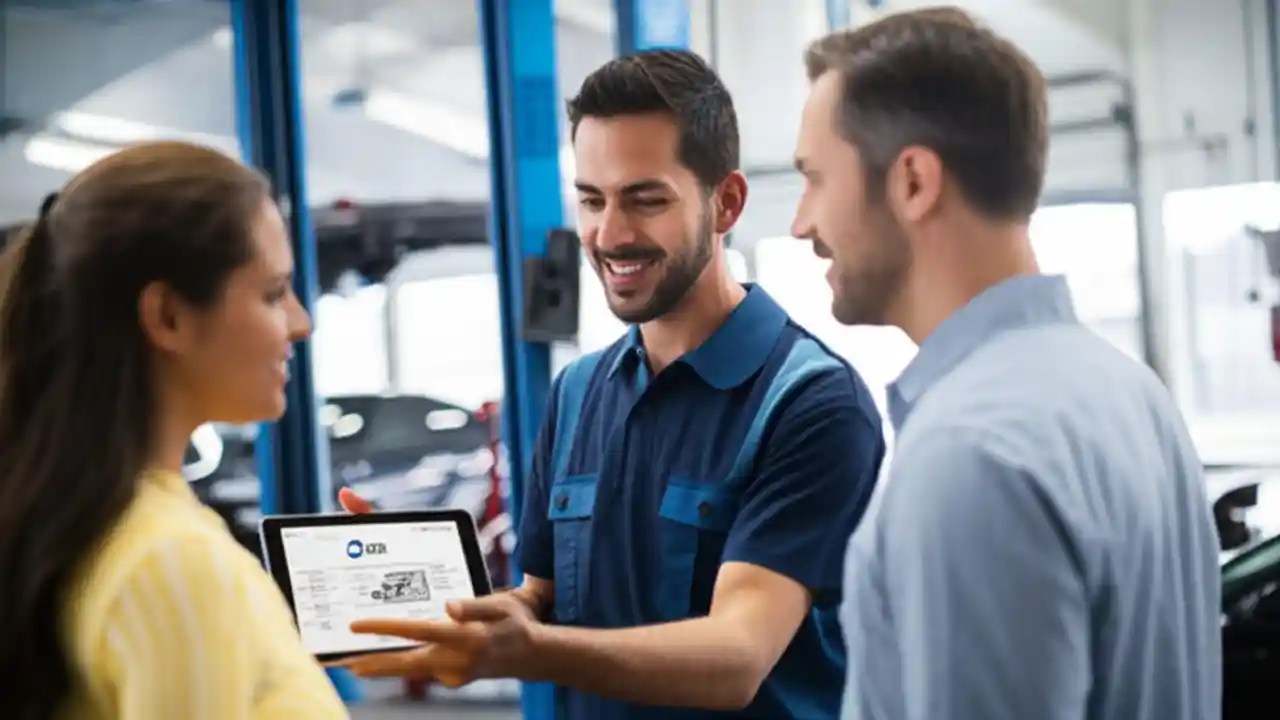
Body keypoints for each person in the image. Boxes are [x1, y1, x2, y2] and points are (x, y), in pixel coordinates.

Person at [334, 49, 886, 718]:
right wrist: (442, 598)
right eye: (592, 201)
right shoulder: (575, 395)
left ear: (727, 203)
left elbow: (738, 658)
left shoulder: (810, 403)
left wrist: (530, 652)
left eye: (645, 199)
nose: (610, 234)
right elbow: (538, 597)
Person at [789, 8, 1222, 720]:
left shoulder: (972, 453)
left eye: (814, 179)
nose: (801, 221)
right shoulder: (1130, 393)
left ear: (913, 182)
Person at [0, 141, 349, 719]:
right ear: (167, 316)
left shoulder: (91, 525)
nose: (300, 322)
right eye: (272, 293)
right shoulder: (174, 562)